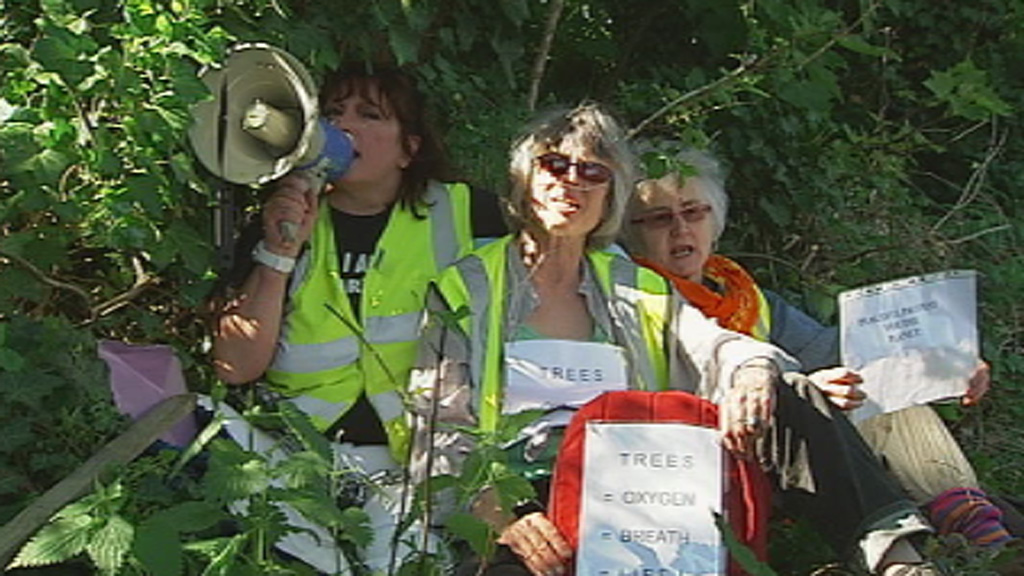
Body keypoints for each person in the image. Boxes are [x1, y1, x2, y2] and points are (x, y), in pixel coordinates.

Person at [409, 103, 941, 576]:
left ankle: (897, 562)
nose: (571, 181)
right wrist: (502, 517)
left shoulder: (636, 284)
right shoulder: (467, 286)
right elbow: (434, 428)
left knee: (791, 391)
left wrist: (754, 373)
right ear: (526, 180)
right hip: (526, 499)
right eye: (555, 164)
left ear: (609, 198)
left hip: (649, 488)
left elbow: (720, 345)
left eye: (592, 171)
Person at [620, 147, 1014, 549]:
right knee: (811, 393)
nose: (681, 229)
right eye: (659, 219)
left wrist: (944, 365)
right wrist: (807, 393)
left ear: (715, 219)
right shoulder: (633, 300)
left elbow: (843, 353)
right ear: (633, 233)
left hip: (795, 451)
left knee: (879, 385)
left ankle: (971, 519)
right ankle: (969, 530)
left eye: (693, 212)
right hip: (708, 454)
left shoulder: (749, 297)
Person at [211, 61, 506, 572]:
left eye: (369, 114)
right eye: (332, 113)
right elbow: (235, 365)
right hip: (295, 457)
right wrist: (279, 252)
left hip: (413, 464)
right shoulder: (285, 215)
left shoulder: (469, 213)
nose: (343, 126)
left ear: (409, 148)